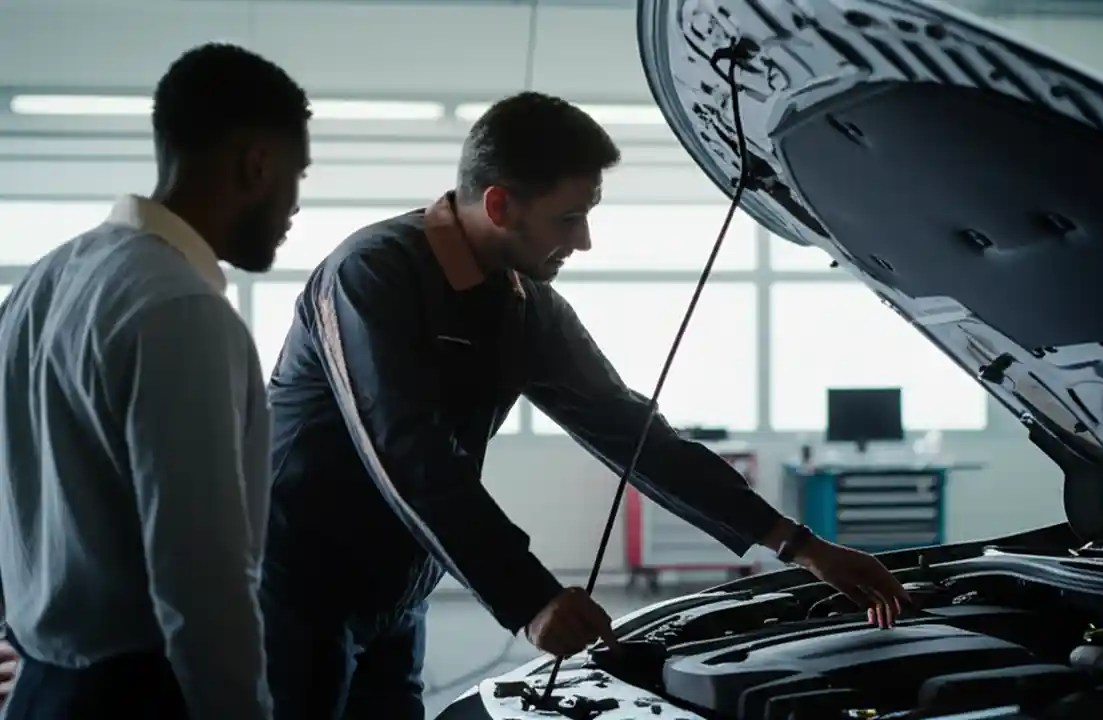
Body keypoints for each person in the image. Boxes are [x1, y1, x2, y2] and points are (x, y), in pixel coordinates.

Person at [259, 91, 910, 719]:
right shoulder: (370, 275)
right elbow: (404, 448)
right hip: (295, 582)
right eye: (569, 217)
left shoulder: (524, 305)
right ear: (500, 205)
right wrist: (531, 597)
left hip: (402, 585)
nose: (586, 240)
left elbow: (636, 434)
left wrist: (799, 545)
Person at [0, 43, 311, 719]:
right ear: (257, 163)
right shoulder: (182, 309)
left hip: (40, 687)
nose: (294, 207)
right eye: (297, 176)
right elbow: (203, 581)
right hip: (132, 697)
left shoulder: (48, 278)